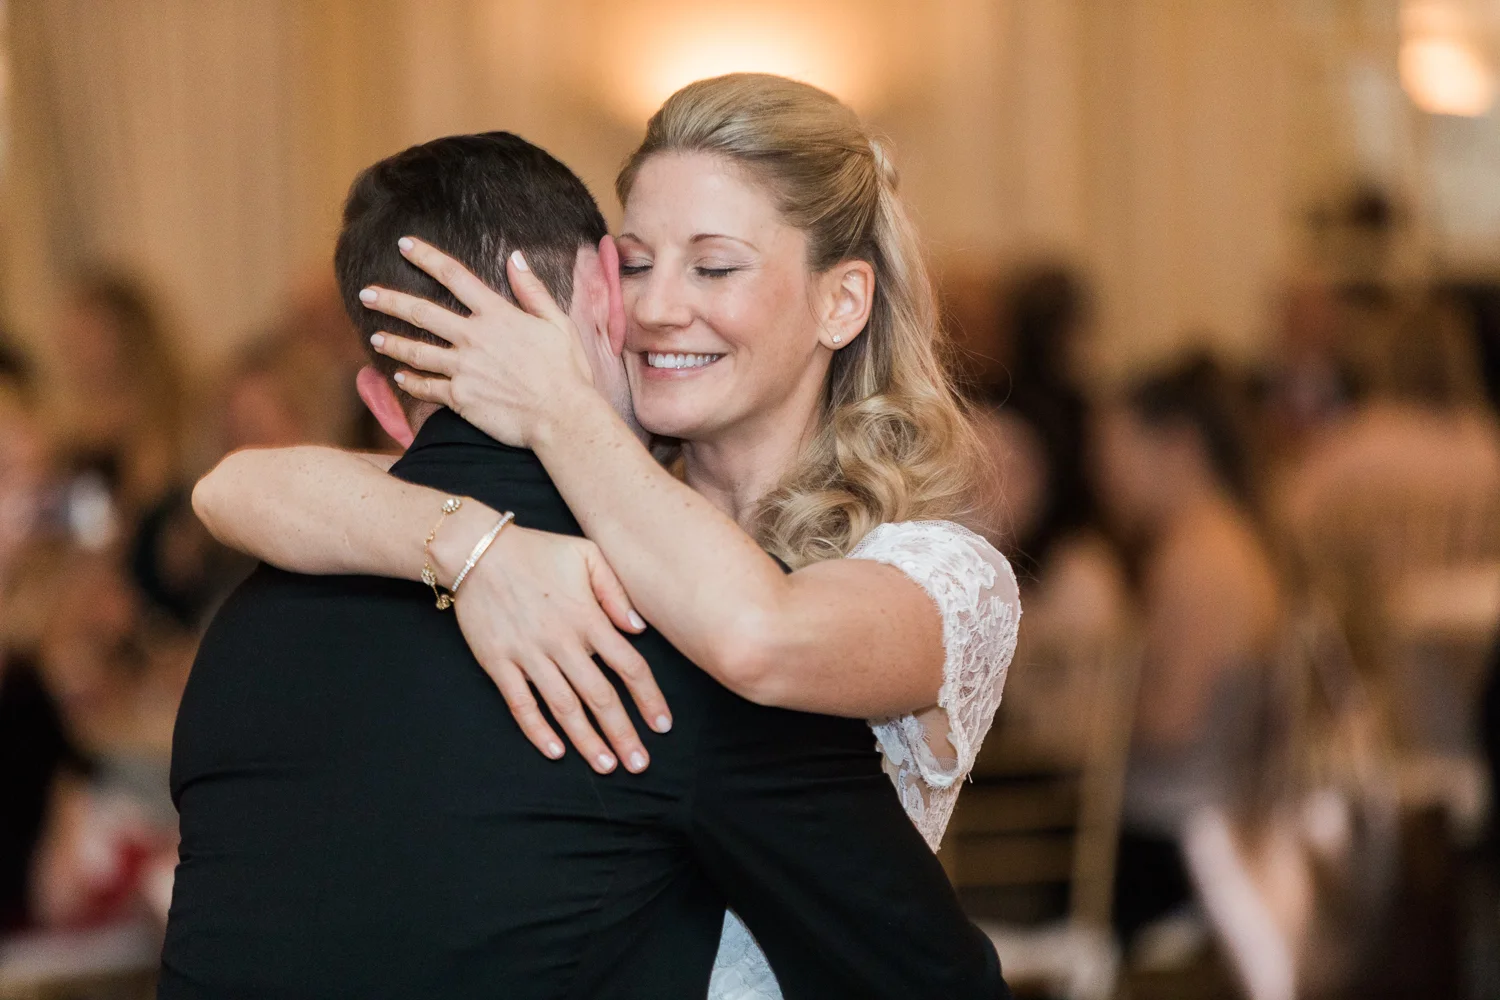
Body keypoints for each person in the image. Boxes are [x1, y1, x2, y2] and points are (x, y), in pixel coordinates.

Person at [191, 76, 1018, 997]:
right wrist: (478, 550)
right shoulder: (561, 521)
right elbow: (236, 488)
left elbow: (755, 634)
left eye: (714, 268)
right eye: (634, 263)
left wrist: (556, 405)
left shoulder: (940, 574)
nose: (655, 308)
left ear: (842, 301)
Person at [1092, 353, 1282, 952]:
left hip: (1177, 841)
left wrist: (1077, 714)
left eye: (1115, 452)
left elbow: (1173, 720)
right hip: (1200, 824)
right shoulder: (1226, 539)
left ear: (1177, 446)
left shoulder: (1198, 557)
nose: (1104, 477)